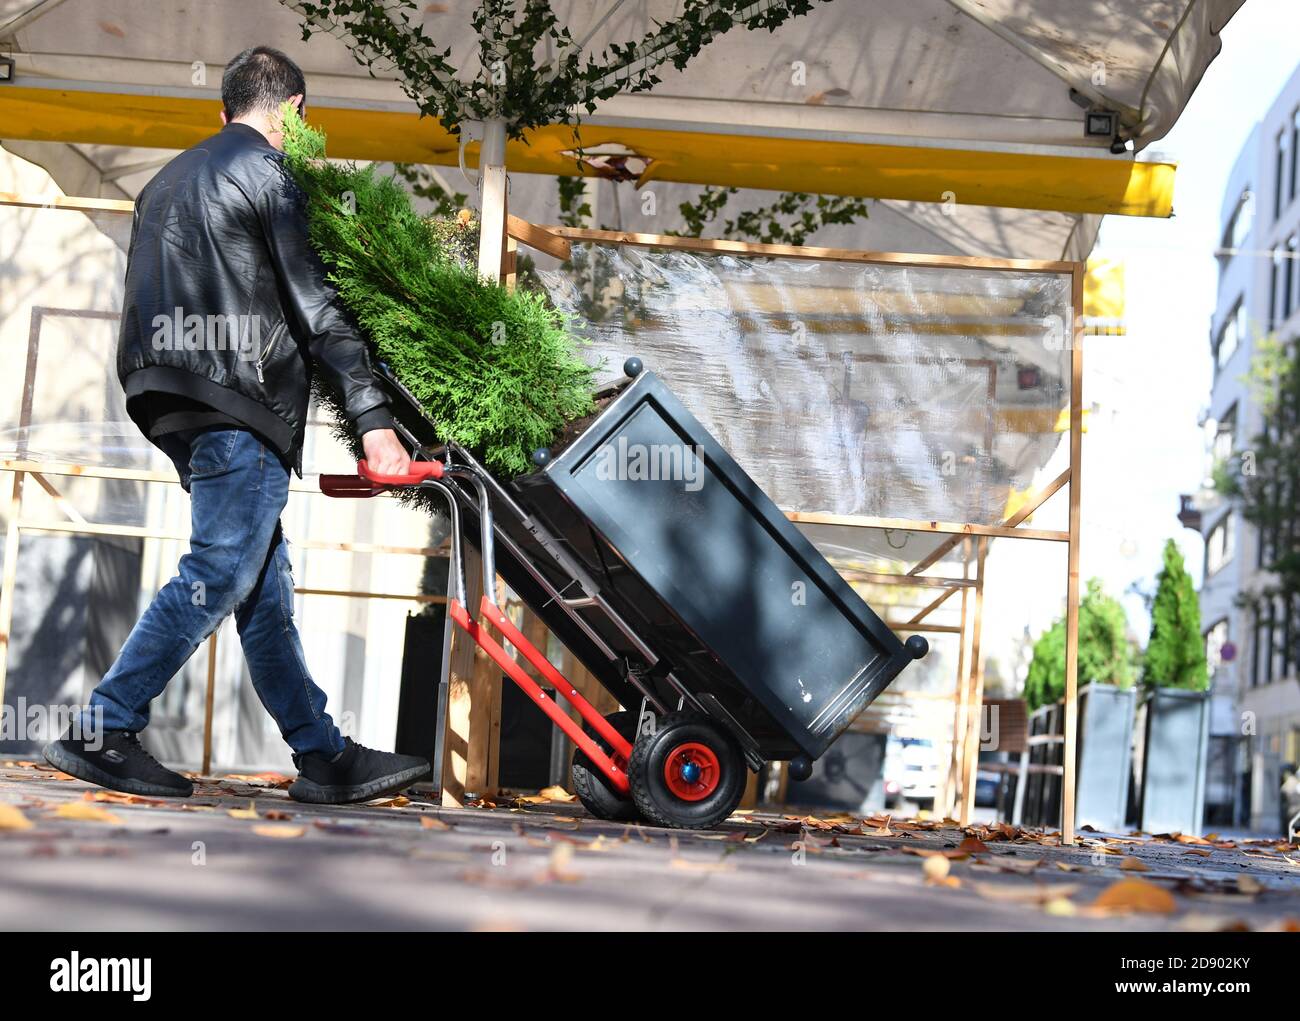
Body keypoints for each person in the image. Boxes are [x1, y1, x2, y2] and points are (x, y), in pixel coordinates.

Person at [44, 46, 430, 804]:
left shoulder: (161, 182)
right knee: (221, 569)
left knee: (261, 588)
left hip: (168, 396)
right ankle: (104, 724)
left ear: (221, 112)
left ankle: (322, 754)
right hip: (238, 400)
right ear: (293, 112)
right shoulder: (270, 174)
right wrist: (375, 419)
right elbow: (317, 311)